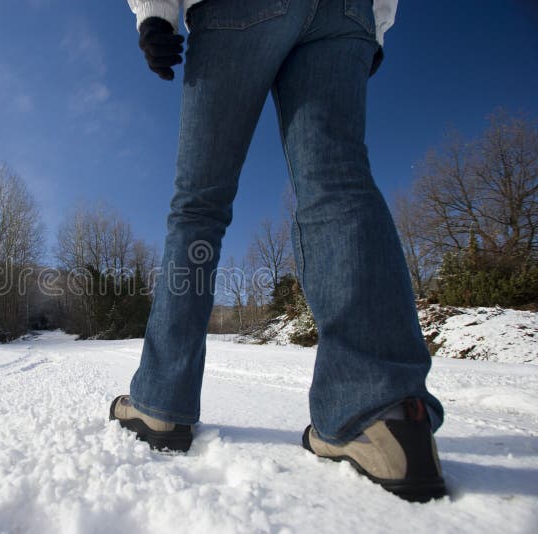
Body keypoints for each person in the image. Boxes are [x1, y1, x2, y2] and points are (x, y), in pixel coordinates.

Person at [110, 0, 447, 502]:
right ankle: (382, 415)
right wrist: (374, 24)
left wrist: (155, 10)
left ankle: (161, 401)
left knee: (199, 208)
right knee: (338, 183)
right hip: (345, 14)